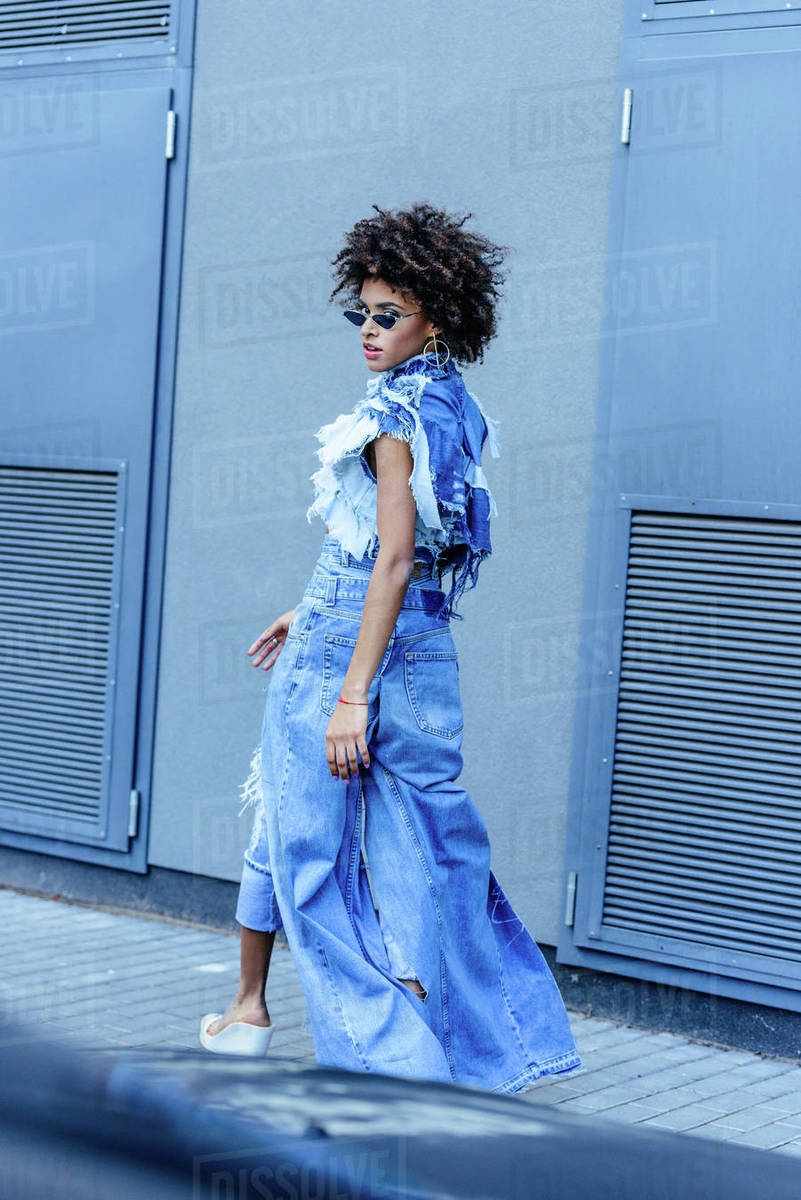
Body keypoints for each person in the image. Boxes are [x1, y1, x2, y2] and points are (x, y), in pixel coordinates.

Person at [200, 202, 583, 1092]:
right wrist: (310, 608)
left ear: (435, 318)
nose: (368, 332)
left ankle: (386, 1060)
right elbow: (393, 550)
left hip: (358, 649)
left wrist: (346, 689)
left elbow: (394, 555)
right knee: (437, 847)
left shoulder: (387, 416)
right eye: (360, 314)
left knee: (304, 845)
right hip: (415, 646)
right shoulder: (459, 404)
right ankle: (484, 1049)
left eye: (388, 316)